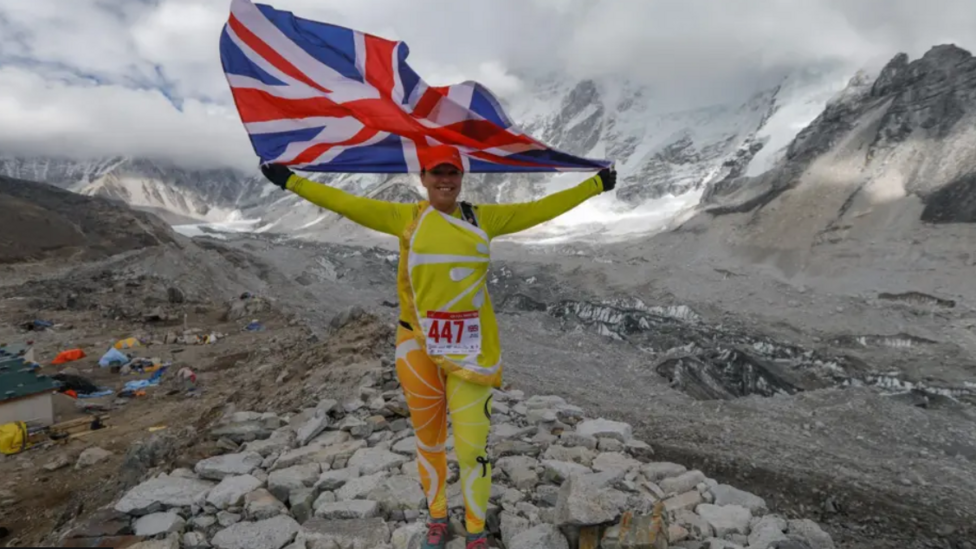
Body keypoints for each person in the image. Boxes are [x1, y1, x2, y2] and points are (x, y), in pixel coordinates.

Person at [260, 146, 615, 549]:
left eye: (453, 173)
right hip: (415, 346)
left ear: (462, 177)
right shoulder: (406, 218)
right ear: (423, 177)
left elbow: (542, 208)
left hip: (471, 348)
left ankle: (476, 530)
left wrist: (594, 185)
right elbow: (343, 202)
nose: (445, 180)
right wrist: (290, 180)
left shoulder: (483, 218)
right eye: (436, 173)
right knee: (429, 441)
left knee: (472, 448)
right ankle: (437, 515)